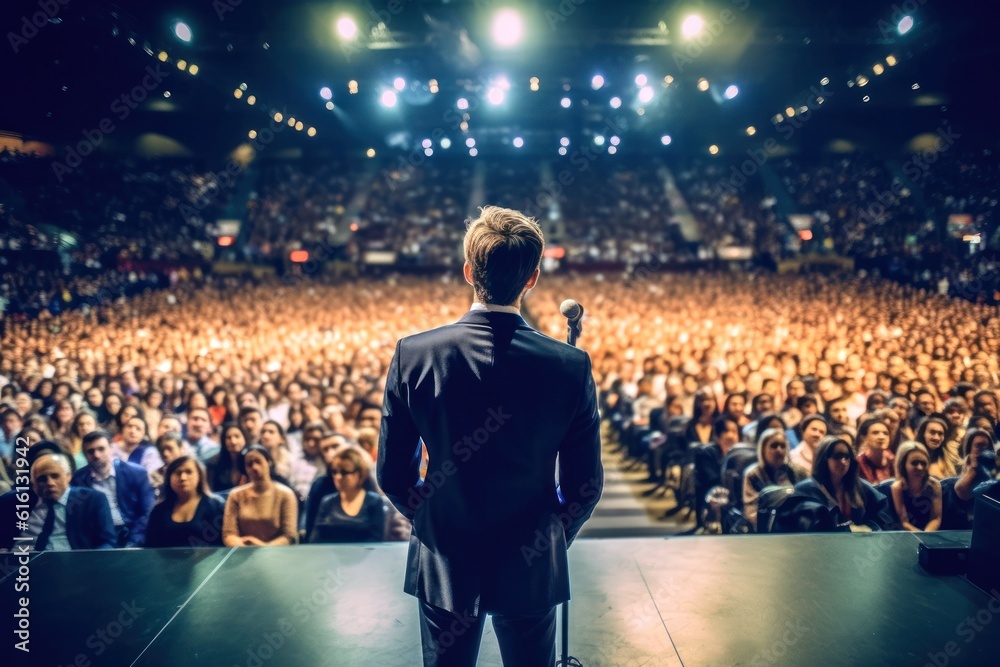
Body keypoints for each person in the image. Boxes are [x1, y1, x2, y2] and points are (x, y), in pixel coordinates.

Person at [378, 206, 603, 667]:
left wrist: (431, 517)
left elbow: (391, 473)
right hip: (532, 559)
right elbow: (585, 486)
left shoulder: (414, 356)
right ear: (533, 278)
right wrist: (552, 536)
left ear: (468, 272)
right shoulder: (569, 365)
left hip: (445, 561)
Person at [0, 451, 116, 550]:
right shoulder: (12, 502)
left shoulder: (92, 501)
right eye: (42, 479)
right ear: (33, 482)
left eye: (55, 476)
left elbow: (108, 542)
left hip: (73, 567)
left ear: (68, 476)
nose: (50, 483)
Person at [71, 430, 156, 547]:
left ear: (111, 449)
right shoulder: (79, 479)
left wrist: (135, 540)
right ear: (85, 455)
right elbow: (78, 519)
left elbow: (148, 511)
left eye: (101, 449)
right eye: (91, 451)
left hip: (131, 531)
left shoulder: (136, 473)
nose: (96, 455)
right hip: (99, 537)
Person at [794, 436, 889, 531]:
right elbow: (811, 529)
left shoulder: (858, 485)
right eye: (837, 456)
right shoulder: (806, 489)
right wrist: (849, 530)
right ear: (824, 458)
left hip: (856, 543)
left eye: (847, 457)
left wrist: (869, 528)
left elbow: (878, 513)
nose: (843, 462)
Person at [222, 444, 298, 547]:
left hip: (277, 555)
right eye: (249, 464)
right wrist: (243, 548)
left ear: (268, 462)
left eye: (258, 462)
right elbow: (229, 534)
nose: (254, 467)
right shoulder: (236, 496)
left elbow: (290, 536)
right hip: (243, 554)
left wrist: (263, 548)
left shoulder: (285, 494)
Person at [308, 445, 386, 543]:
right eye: (334, 472)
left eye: (345, 472)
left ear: (360, 474)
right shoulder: (327, 501)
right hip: (329, 555)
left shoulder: (374, 501)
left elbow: (377, 539)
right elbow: (315, 538)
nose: (338, 477)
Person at [146, 456, 226, 548]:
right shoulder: (159, 511)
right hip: (167, 561)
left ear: (199, 475)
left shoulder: (216, 506)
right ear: (169, 478)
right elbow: (150, 547)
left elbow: (221, 545)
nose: (183, 478)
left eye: (189, 472)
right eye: (178, 473)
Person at [742, 427, 808, 530]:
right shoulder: (753, 475)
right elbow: (752, 511)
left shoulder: (799, 472)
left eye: (783, 446)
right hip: (766, 531)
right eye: (774, 446)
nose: (779, 450)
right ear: (763, 449)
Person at [890, 442, 942, 532]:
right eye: (914, 463)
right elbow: (904, 523)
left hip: (929, 533)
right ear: (903, 465)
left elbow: (936, 518)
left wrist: (927, 535)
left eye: (923, 463)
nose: (920, 467)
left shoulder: (935, 485)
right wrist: (921, 537)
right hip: (907, 535)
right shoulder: (897, 487)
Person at [915, 414, 956, 479]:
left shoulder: (948, 457)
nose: (936, 438)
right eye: (932, 432)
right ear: (923, 434)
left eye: (940, 434)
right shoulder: (912, 455)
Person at [855, 418, 894, 484]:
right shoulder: (858, 463)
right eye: (875, 433)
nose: (881, 437)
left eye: (885, 433)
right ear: (864, 437)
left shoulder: (894, 461)